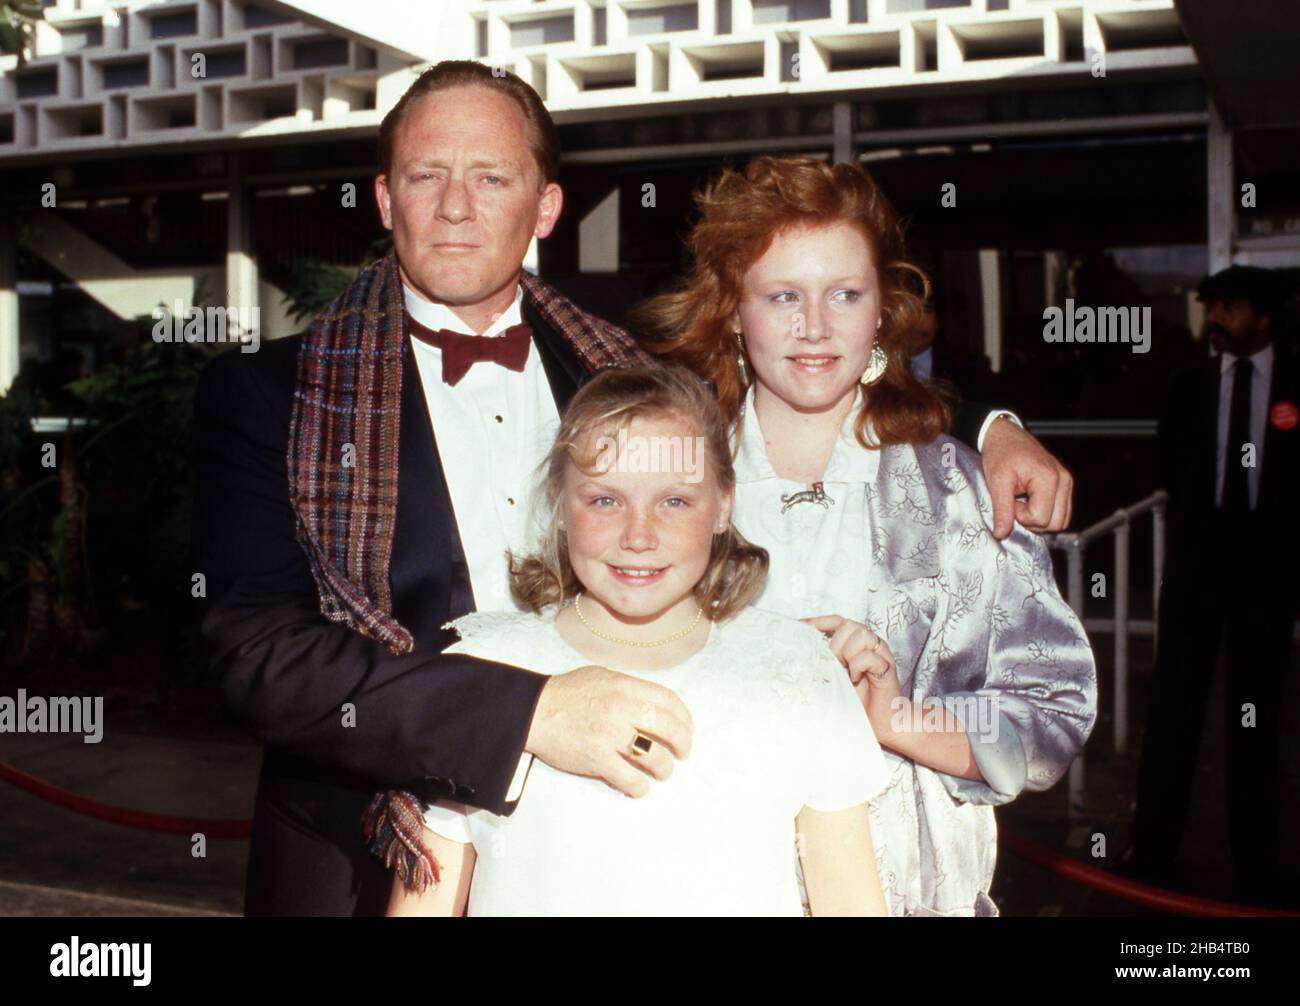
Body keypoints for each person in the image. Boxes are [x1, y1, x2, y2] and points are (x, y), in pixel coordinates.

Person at [192, 59, 1077, 916]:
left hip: (638, 841)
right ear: (385, 199)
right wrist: (526, 712)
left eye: (492, 177)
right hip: (370, 851)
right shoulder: (276, 394)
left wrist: (987, 431)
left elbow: (809, 367)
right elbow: (255, 655)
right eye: (426, 176)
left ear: (546, 207)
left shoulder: (616, 362)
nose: (457, 208)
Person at [630, 155, 1098, 915]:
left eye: (845, 294)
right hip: (703, 881)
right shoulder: (664, 486)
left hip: (912, 893)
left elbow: (1049, 708)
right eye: (782, 296)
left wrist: (899, 720)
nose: (814, 328)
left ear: (881, 310)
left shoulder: (964, 492)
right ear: (732, 310)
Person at [386, 365, 891, 916]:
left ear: (723, 504)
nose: (639, 535)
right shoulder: (485, 670)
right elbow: (424, 904)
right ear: (559, 500)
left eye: (674, 501)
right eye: (605, 500)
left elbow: (851, 902)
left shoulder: (797, 670)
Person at [1129, 265, 1297, 904]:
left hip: (1265, 577)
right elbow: (1172, 468)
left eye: (1230, 307)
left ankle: (1256, 870)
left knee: (1255, 719)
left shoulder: (1293, 384)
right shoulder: (1189, 386)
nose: (1216, 318)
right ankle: (1153, 855)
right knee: (1174, 711)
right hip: (1199, 573)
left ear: (1265, 316)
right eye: (1212, 306)